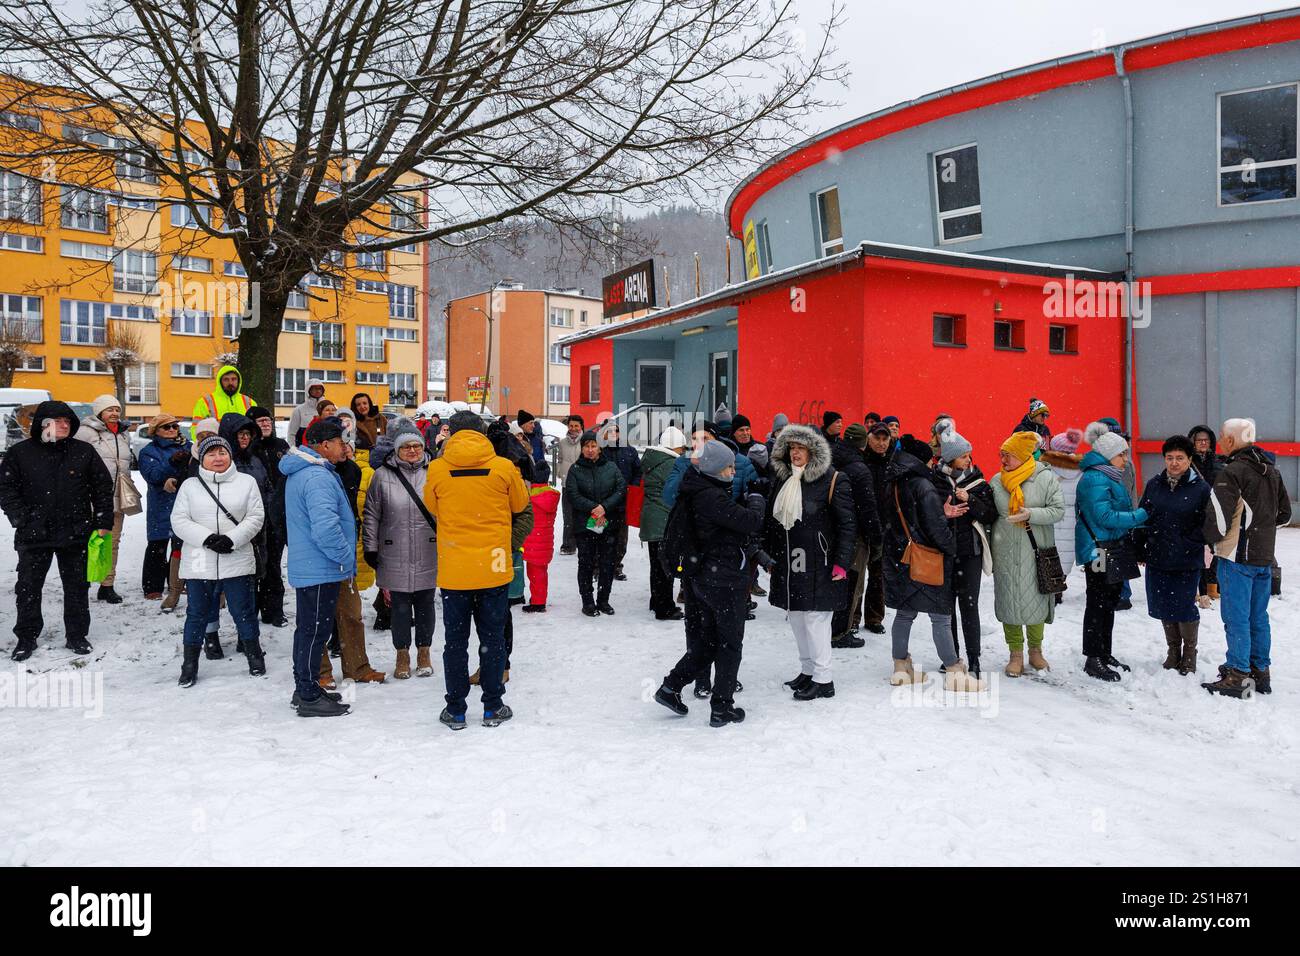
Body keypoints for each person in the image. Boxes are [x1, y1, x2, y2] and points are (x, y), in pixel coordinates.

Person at [423, 410, 532, 730]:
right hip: (494, 564)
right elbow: (519, 504)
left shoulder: (438, 468)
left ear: (451, 434)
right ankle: (492, 706)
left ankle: (456, 709)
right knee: (493, 638)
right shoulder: (503, 466)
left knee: (455, 642)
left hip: (456, 566)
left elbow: (432, 506)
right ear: (482, 433)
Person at [653, 440, 767, 727]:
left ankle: (671, 687)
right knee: (729, 644)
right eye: (728, 467)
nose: (732, 471)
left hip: (703, 576)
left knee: (709, 641)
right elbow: (749, 522)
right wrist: (756, 501)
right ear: (715, 470)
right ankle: (722, 707)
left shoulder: (696, 489)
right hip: (722, 578)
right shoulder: (710, 498)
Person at [1, 401, 114, 660]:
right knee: (28, 588)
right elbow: (6, 489)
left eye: (67, 421)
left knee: (76, 586)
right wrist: (21, 518)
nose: (64, 425)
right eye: (57, 421)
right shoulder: (20, 453)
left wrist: (103, 522)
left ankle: (77, 635)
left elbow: (102, 488)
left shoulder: (83, 451)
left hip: (75, 532)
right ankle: (26, 637)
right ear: (43, 423)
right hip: (33, 534)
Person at [883, 436, 985, 691]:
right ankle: (954, 672)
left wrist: (941, 512)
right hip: (926, 557)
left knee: (904, 614)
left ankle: (900, 668)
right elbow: (935, 529)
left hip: (901, 556)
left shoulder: (894, 482)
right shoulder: (924, 485)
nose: (932, 464)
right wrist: (950, 545)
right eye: (930, 459)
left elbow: (905, 517)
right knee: (940, 615)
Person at [1201, 418, 1292, 696]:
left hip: (1237, 557)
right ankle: (1259, 672)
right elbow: (1285, 514)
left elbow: (1217, 519)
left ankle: (1238, 674)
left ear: (1230, 440)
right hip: (1264, 557)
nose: (1219, 442)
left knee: (1236, 617)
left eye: (1221, 437)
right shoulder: (1271, 470)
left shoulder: (1233, 471)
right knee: (1257, 617)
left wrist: (1210, 541)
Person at [766, 424, 855, 701]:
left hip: (821, 563)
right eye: (791, 448)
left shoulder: (833, 480)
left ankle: (823, 678)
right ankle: (807, 670)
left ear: (812, 451)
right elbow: (772, 523)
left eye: (800, 448)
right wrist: (769, 554)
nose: (795, 453)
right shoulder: (784, 479)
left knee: (816, 620)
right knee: (796, 617)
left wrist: (842, 562)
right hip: (790, 562)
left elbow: (847, 526)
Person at [169, 435, 266, 686]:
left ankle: (254, 655)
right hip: (200, 558)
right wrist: (208, 539)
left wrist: (232, 539)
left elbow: (255, 517)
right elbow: (179, 520)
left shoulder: (246, 482)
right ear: (202, 458)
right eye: (211, 454)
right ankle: (189, 663)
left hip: (236, 556)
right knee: (197, 613)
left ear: (230, 455)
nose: (218, 458)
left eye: (222, 452)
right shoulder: (190, 485)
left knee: (242, 611)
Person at [279, 417, 355, 717]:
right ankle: (308, 694)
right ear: (324, 445)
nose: (344, 447)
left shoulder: (308, 472)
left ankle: (306, 687)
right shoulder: (317, 477)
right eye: (340, 442)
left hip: (312, 564)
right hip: (321, 566)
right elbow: (325, 529)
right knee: (314, 631)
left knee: (310, 630)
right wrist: (344, 556)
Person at [363, 420, 436, 680]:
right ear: (396, 449)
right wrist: (370, 547)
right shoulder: (382, 475)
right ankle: (402, 654)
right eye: (406, 447)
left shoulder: (435, 471)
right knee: (400, 607)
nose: (413, 451)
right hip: (394, 549)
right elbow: (371, 514)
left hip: (429, 548)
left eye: (417, 445)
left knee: (426, 604)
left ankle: (424, 652)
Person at [1075, 424, 1148, 682]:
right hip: (1097, 551)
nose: (1126, 459)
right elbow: (1104, 516)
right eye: (1122, 454)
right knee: (1097, 602)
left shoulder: (1108, 475)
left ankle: (1104, 653)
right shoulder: (1095, 478)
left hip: (1110, 547)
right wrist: (1139, 516)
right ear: (1108, 455)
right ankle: (1093, 657)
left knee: (1109, 600)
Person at [991, 431, 1065, 678]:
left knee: (1035, 601)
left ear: (1023, 457)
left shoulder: (1045, 479)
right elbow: (988, 515)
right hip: (1006, 551)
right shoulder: (996, 481)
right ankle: (1015, 654)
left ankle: (1035, 651)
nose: (1002, 460)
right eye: (1001, 455)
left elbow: (1057, 511)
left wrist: (1030, 514)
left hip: (1035, 551)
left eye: (1008, 456)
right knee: (1009, 602)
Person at [1136, 435, 1210, 677]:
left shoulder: (1200, 489)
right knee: (1163, 604)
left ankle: (1189, 653)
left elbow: (1208, 524)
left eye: (1180, 458)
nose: (1174, 463)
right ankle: (1173, 651)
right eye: (1170, 458)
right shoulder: (1154, 485)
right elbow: (1143, 515)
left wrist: (1190, 542)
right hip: (1158, 555)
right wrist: (1139, 545)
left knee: (1184, 606)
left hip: (1186, 558)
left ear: (1189, 459)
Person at [324, 409, 385, 685]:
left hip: (345, 552)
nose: (346, 448)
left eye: (348, 443)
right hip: (317, 556)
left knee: (352, 613)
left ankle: (357, 666)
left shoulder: (350, 471)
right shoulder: (310, 472)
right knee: (316, 618)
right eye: (341, 443)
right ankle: (320, 672)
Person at [930, 427, 997, 677]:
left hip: (970, 553)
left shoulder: (978, 480)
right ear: (950, 458)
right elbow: (928, 515)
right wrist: (943, 512)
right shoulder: (935, 481)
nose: (969, 459)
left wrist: (970, 499)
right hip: (944, 553)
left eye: (969, 455)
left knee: (969, 607)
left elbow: (990, 515)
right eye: (963, 456)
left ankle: (975, 659)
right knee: (947, 608)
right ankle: (952, 656)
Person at [75, 394, 134, 604]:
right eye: (110, 409)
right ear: (99, 412)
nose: (115, 414)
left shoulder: (124, 434)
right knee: (87, 542)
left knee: (112, 542)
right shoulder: (85, 432)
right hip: (90, 496)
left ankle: (107, 585)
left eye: (117, 410)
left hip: (116, 496)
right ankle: (80, 583)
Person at [829, 422, 883, 648]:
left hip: (832, 529)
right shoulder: (859, 469)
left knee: (837, 581)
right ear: (863, 443)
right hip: (855, 534)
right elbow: (868, 508)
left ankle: (832, 627)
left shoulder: (831, 459)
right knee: (852, 583)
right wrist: (876, 537)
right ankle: (841, 631)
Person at [565, 430, 627, 616]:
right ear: (582, 448)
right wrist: (594, 508)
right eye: (587, 446)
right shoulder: (575, 470)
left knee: (607, 563)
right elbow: (573, 495)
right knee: (586, 563)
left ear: (600, 448)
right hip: (585, 524)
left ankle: (603, 600)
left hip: (608, 523)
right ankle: (588, 601)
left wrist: (605, 507)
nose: (590, 450)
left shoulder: (611, 467)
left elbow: (621, 488)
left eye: (594, 446)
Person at [138, 414, 190, 601]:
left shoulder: (188, 446)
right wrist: (171, 463)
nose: (171, 430)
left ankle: (177, 582)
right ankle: (153, 586)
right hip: (161, 503)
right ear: (156, 431)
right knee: (158, 545)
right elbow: (152, 475)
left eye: (174, 426)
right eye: (166, 427)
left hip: (185, 501)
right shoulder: (149, 451)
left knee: (183, 544)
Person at [639, 426, 688, 621]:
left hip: (653, 519)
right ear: (674, 446)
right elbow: (678, 492)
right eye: (681, 447)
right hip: (664, 520)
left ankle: (656, 600)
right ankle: (665, 608)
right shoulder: (671, 465)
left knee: (656, 566)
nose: (683, 451)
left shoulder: (654, 461)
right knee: (665, 567)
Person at [247, 406, 290, 626]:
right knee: (256, 565)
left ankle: (274, 610)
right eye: (260, 421)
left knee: (274, 564)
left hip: (278, 514)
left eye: (268, 420)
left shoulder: (281, 446)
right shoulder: (248, 450)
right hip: (255, 515)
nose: (265, 424)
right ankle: (252, 610)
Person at [859, 422, 894, 634]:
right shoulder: (861, 463)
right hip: (862, 529)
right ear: (869, 438)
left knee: (878, 576)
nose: (881, 443)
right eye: (877, 438)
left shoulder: (893, 463)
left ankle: (874, 618)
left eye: (885, 439)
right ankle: (852, 619)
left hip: (885, 528)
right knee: (857, 576)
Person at [1042, 428, 1085, 585]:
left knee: (1051, 551)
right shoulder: (1082, 470)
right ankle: (1062, 579)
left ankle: (1054, 585)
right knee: (1066, 551)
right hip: (1072, 519)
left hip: (1051, 517)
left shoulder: (1046, 469)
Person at [600, 422, 641, 581]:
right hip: (602, 504)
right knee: (599, 536)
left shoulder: (629, 451)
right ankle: (598, 568)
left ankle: (616, 567)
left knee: (620, 539)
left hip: (623, 503)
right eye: (608, 431)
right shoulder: (598, 451)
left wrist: (633, 486)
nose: (613, 434)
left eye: (616, 431)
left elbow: (638, 471)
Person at [1188, 425, 1222, 606]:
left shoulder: (1216, 462)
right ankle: (1197, 588)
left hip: (1213, 511)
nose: (1202, 443)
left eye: (1206, 440)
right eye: (1199, 440)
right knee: (1197, 550)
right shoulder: (1188, 461)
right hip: (1194, 511)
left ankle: (1212, 587)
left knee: (1213, 550)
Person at [522, 461, 560, 612]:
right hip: (545, 541)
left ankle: (538, 602)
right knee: (541, 572)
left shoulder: (530, 497)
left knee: (535, 574)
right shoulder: (551, 495)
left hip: (533, 542)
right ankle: (539, 597)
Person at [190, 364, 256, 440]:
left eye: (234, 379)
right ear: (220, 381)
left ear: (239, 381)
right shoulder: (205, 402)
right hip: (216, 449)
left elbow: (256, 429)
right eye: (226, 379)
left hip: (244, 449)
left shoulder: (250, 402)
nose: (230, 383)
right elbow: (196, 429)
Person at [556, 414, 584, 555]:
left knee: (582, 515)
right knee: (568, 516)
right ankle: (568, 545)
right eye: (571, 425)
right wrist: (561, 472)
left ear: (581, 427)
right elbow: (560, 459)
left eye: (576, 426)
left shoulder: (586, 442)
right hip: (567, 484)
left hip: (583, 485)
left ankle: (584, 543)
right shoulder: (562, 442)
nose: (573, 428)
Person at [288, 378, 326, 446]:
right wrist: (293, 450)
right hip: (303, 451)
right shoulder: (299, 410)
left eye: (320, 388)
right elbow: (291, 434)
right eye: (314, 388)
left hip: (325, 451)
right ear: (308, 390)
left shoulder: (330, 408)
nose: (318, 391)